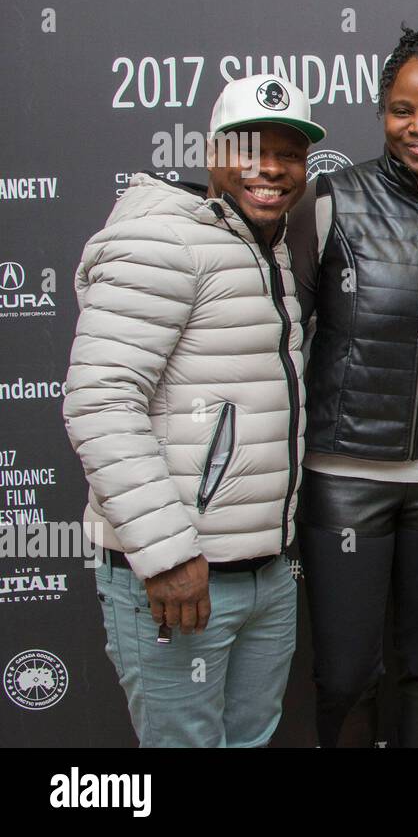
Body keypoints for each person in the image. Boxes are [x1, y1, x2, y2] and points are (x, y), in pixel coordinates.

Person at [64, 74, 321, 747]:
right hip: (180, 580)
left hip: (263, 571)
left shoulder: (263, 247)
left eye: (289, 153)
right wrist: (168, 555)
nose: (270, 168)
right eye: (248, 148)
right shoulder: (162, 240)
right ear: (212, 152)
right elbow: (101, 401)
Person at [287, 25, 418, 748]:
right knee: (346, 673)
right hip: (347, 474)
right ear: (382, 112)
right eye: (403, 110)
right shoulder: (331, 202)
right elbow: (280, 337)